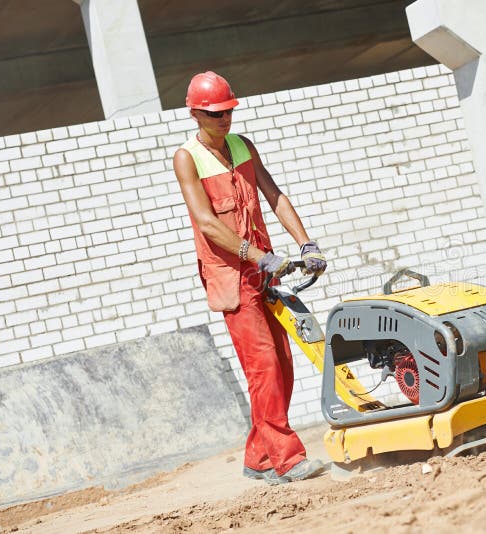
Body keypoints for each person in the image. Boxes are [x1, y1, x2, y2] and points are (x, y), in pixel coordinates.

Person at [172, 71, 327, 485]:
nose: (224, 119)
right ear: (194, 113)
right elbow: (207, 223)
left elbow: (274, 195)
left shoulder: (243, 146)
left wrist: (306, 244)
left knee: (285, 365)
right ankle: (288, 459)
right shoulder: (187, 158)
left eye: (227, 111)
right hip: (231, 276)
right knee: (264, 369)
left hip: (264, 271)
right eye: (214, 113)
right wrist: (256, 255)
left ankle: (258, 457)